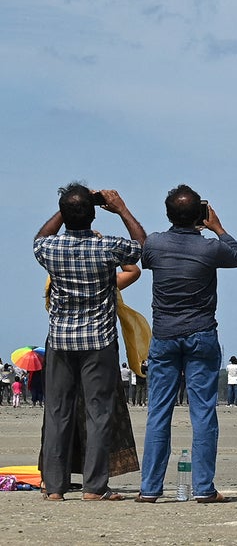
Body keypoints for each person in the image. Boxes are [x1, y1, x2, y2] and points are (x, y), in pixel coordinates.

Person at [33, 183, 145, 500]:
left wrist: (69, 209)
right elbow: (142, 248)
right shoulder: (106, 247)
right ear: (94, 215)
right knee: (98, 413)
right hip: (98, 339)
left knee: (57, 412)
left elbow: (39, 238)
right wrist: (121, 209)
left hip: (60, 338)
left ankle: (54, 487)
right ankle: (95, 487)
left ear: (65, 215)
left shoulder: (50, 250)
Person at [135, 184, 237, 504]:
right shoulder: (211, 248)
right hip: (201, 334)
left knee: (158, 413)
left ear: (168, 214)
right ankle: (204, 488)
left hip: (165, 336)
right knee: (203, 413)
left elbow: (142, 248)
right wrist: (218, 227)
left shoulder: (155, 244)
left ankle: (150, 488)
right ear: (200, 215)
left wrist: (124, 211)